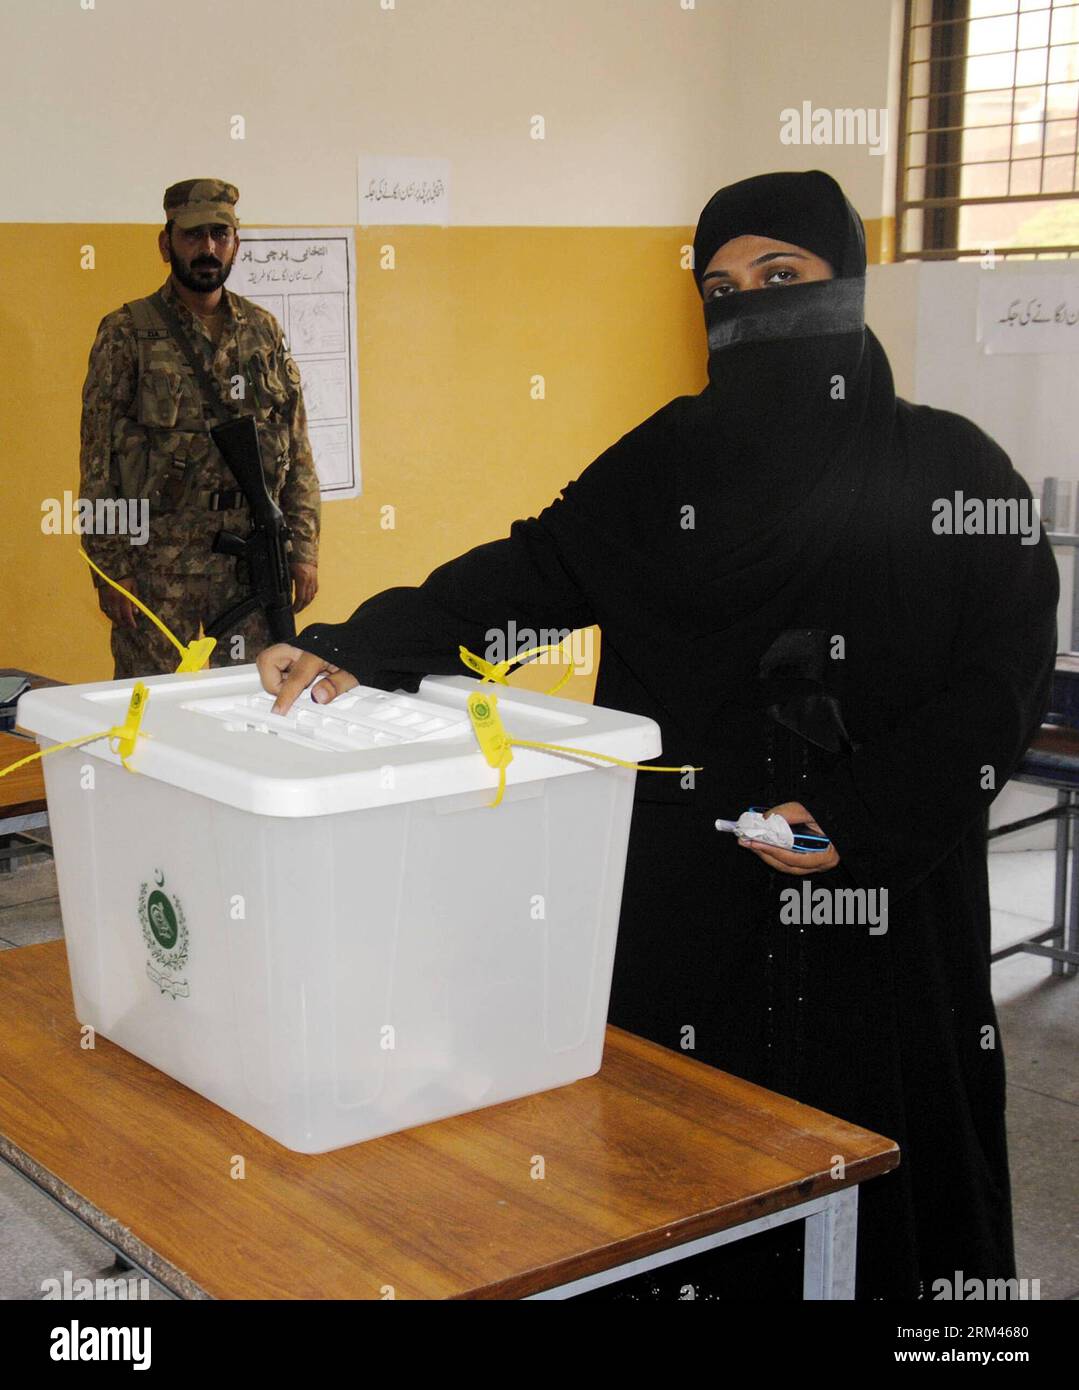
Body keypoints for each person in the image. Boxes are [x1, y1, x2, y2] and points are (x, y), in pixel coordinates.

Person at [255, 170, 1058, 1300]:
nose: (749, 309)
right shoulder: (668, 462)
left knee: (876, 1169)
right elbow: (534, 573)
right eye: (720, 287)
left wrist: (861, 819)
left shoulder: (949, 473)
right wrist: (361, 641)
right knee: (674, 1182)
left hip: (879, 909)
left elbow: (998, 688)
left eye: (781, 277)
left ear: (848, 283)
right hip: (691, 899)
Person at [79, 178, 321, 678]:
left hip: (249, 571)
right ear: (166, 243)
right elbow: (97, 462)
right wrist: (110, 571)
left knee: (251, 708)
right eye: (193, 236)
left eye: (219, 234)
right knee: (155, 717)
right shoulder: (127, 333)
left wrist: (302, 547)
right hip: (156, 575)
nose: (207, 248)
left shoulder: (262, 330)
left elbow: (296, 448)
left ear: (235, 241)